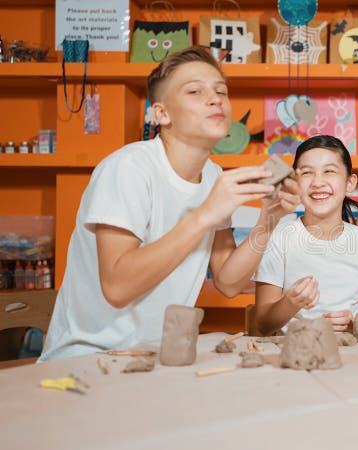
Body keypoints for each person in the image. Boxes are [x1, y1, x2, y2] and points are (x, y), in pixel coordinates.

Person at [39, 47, 300, 361]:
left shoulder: (212, 176)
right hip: (90, 357)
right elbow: (117, 288)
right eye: (195, 91)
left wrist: (268, 222)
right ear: (161, 113)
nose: (215, 98)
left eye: (221, 91)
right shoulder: (128, 168)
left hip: (160, 355)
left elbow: (229, 282)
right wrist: (204, 214)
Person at [254, 135, 358, 335]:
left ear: (350, 182)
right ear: (295, 182)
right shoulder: (277, 237)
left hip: (349, 355)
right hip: (291, 354)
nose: (318, 182)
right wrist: (290, 303)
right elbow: (263, 325)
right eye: (307, 172)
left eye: (329, 171)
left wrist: (353, 325)